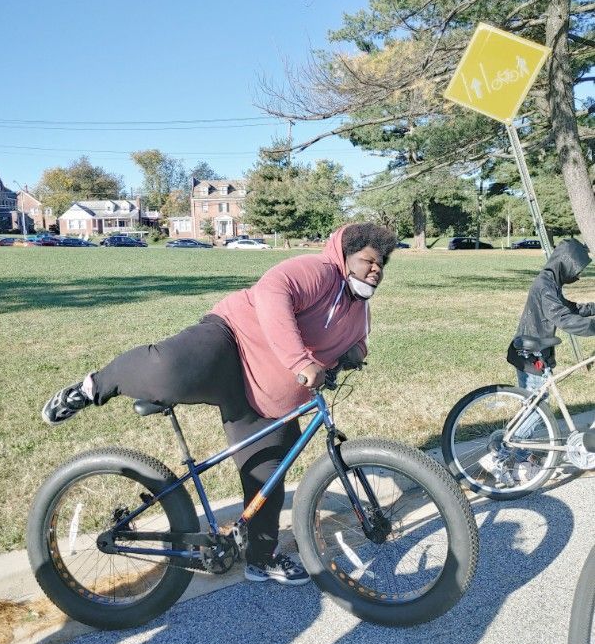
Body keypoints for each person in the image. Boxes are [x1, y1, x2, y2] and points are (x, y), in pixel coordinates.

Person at [42, 222, 398, 586]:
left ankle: (260, 558)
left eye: (381, 264)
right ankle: (93, 387)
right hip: (230, 342)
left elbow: (358, 343)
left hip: (262, 400)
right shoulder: (317, 271)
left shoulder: (358, 310)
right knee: (168, 369)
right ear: (344, 256)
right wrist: (299, 360)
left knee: (266, 476)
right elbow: (274, 290)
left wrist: (353, 355)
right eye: (368, 260)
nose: (376, 269)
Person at [482, 238, 595, 486]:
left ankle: (522, 461)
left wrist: (592, 309)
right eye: (577, 270)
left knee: (532, 406)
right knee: (537, 408)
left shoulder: (550, 283)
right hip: (531, 354)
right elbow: (563, 318)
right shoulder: (545, 285)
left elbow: (569, 308)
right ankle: (499, 455)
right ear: (566, 264)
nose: (578, 276)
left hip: (533, 351)